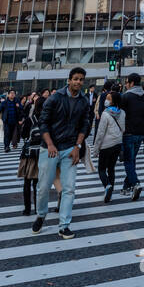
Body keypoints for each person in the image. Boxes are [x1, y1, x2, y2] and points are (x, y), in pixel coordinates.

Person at [31, 67, 90, 239]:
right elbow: (43, 122)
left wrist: (77, 146)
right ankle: (41, 215)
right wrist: (49, 144)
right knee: (43, 186)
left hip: (70, 148)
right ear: (69, 80)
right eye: (76, 79)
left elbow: (85, 125)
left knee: (69, 188)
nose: (78, 82)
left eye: (81, 79)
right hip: (49, 147)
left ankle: (64, 225)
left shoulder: (84, 101)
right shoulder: (55, 98)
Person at [119, 76, 144, 200]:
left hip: (128, 132)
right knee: (132, 160)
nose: (126, 85)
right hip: (140, 132)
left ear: (131, 83)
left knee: (128, 160)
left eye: (126, 82)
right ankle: (126, 186)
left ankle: (135, 183)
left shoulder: (126, 97)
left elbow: (121, 115)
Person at [94, 90, 125, 203]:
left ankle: (107, 186)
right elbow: (123, 129)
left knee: (101, 169)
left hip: (106, 145)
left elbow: (100, 133)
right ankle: (110, 192)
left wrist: (96, 149)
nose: (106, 100)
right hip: (117, 143)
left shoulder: (105, 113)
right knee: (111, 168)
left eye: (108, 98)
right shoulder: (122, 113)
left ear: (113, 101)